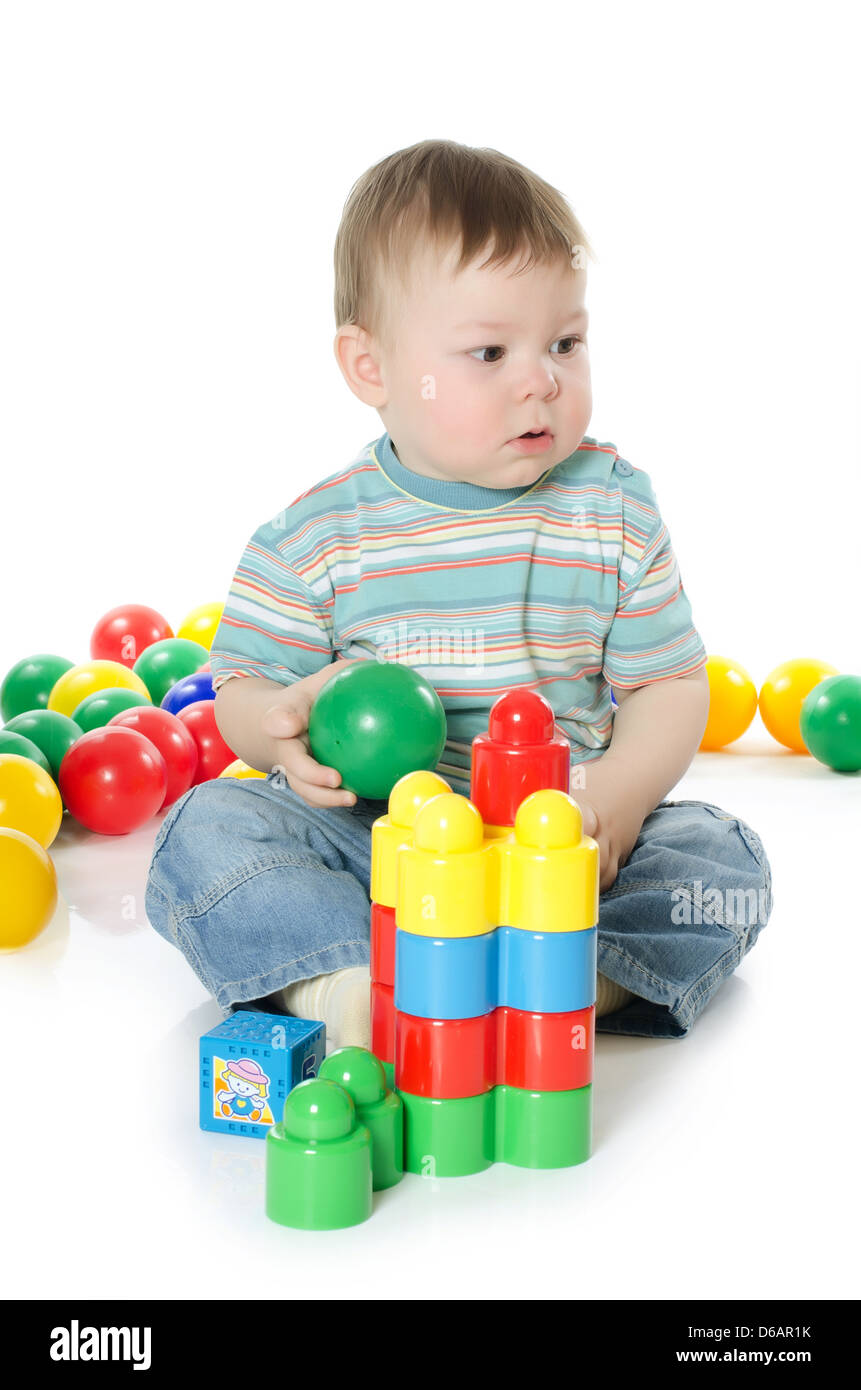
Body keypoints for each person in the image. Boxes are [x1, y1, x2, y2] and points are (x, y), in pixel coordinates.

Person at [145, 139, 772, 1047]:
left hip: (558, 851)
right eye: (489, 351)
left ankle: (567, 983)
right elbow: (243, 687)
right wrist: (278, 725)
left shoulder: (612, 508)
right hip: (378, 848)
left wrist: (620, 799)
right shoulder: (315, 536)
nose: (541, 378)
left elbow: (667, 686)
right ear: (373, 368)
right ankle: (345, 981)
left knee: (721, 856)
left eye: (565, 341)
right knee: (205, 825)